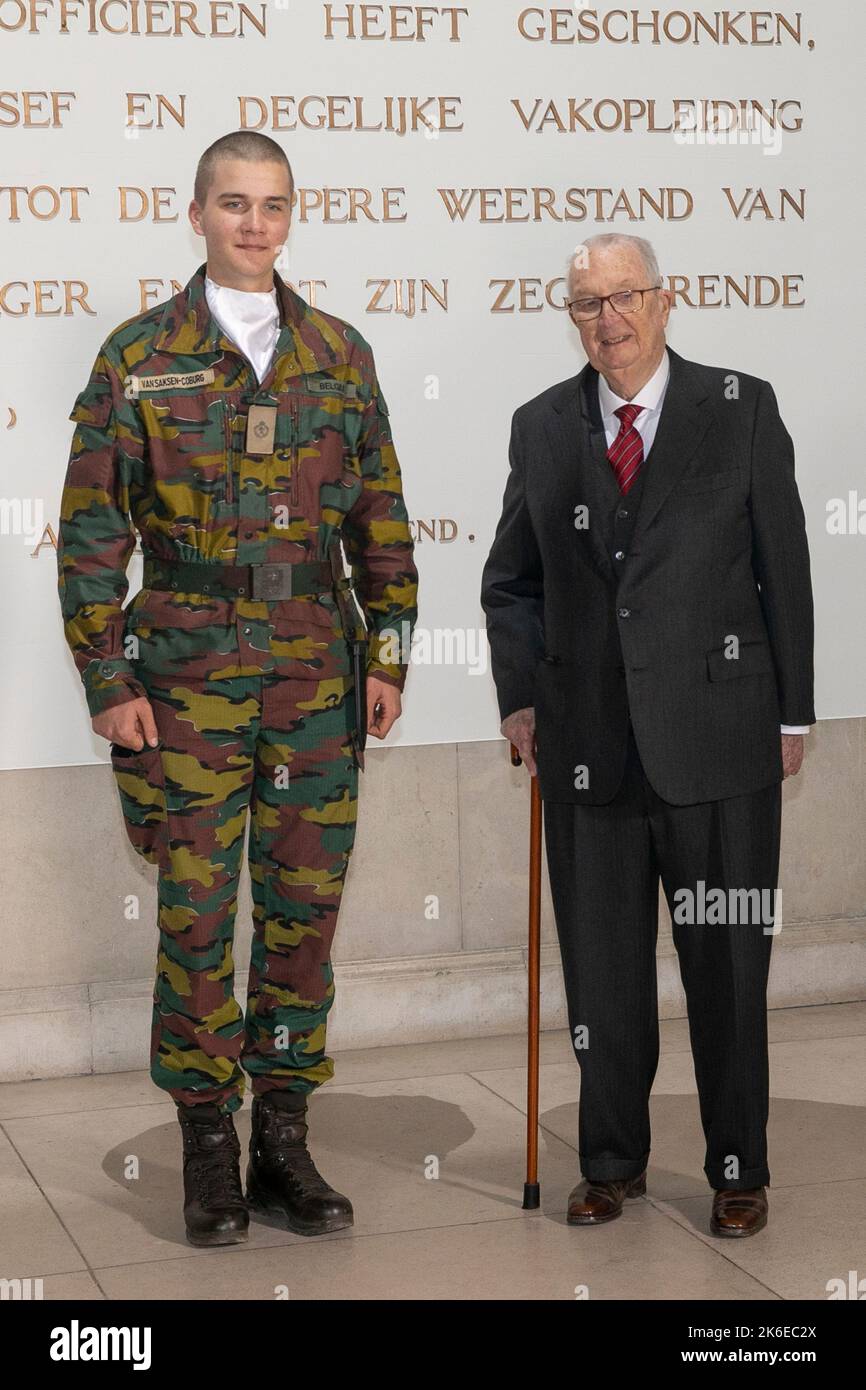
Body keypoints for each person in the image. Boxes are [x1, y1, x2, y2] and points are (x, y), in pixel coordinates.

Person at [57, 130, 418, 1247]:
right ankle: (207, 1146)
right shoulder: (139, 357)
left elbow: (382, 523)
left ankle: (284, 1142)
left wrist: (390, 657)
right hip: (183, 686)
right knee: (198, 917)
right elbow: (88, 539)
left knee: (304, 915)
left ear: (291, 214)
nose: (253, 223)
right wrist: (108, 680)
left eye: (270, 205)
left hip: (316, 677)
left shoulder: (338, 354)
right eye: (232, 203)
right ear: (198, 213)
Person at [480, 232, 813, 1238]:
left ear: (664, 303)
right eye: (586, 303)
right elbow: (511, 581)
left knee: (726, 967)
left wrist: (791, 710)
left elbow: (781, 570)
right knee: (604, 976)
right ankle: (610, 1162)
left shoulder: (738, 407)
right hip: (587, 750)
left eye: (624, 297)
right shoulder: (538, 426)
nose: (607, 318)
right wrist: (519, 694)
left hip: (719, 746)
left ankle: (735, 1167)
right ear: (569, 315)